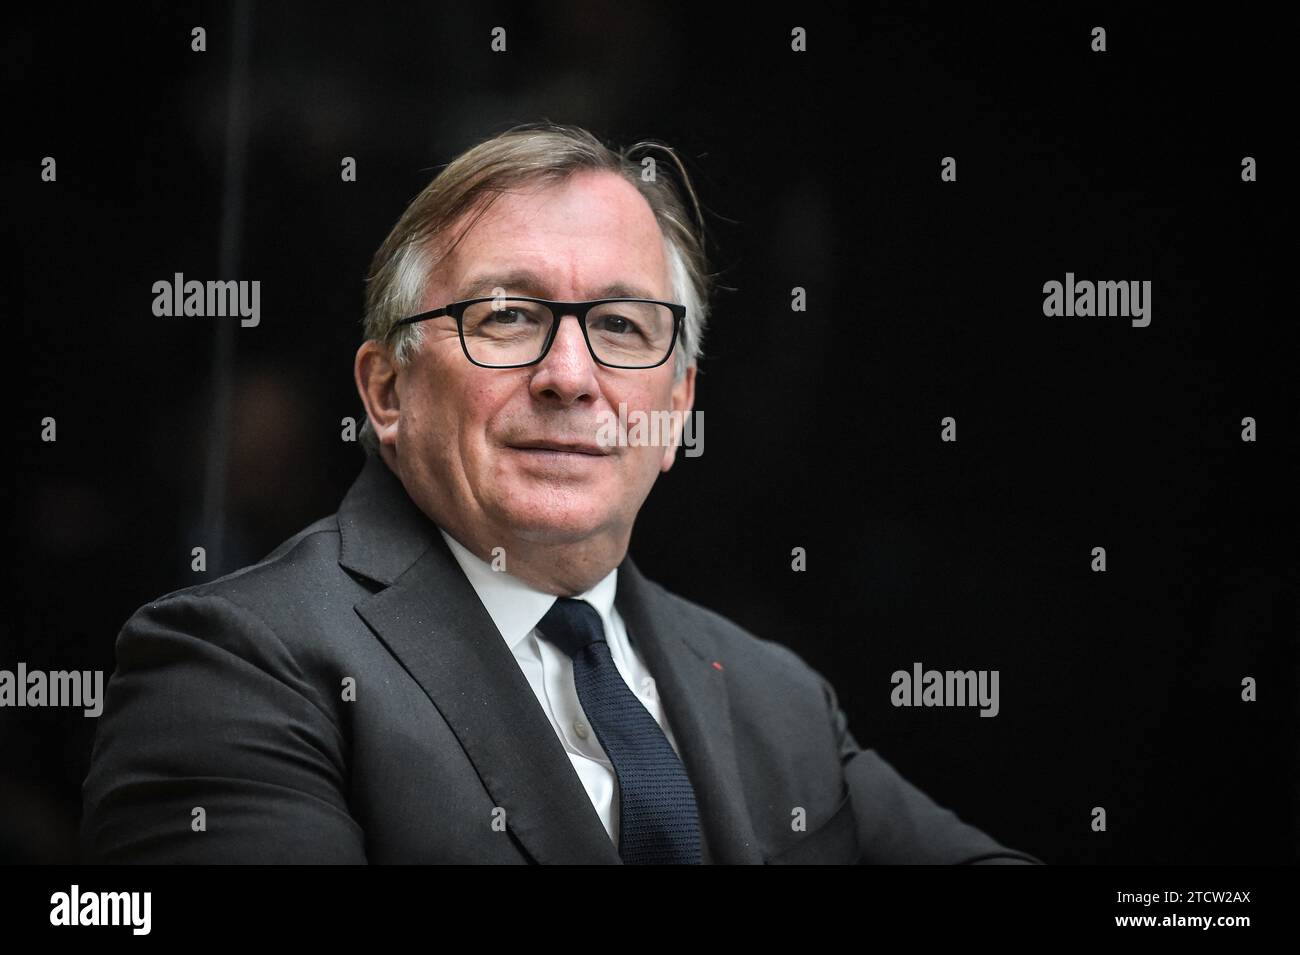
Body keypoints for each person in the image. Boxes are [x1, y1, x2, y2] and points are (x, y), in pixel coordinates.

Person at [81, 123, 1042, 864]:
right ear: (387, 392)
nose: (571, 375)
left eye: (623, 327)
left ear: (676, 407)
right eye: (508, 316)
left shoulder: (775, 696)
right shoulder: (237, 665)